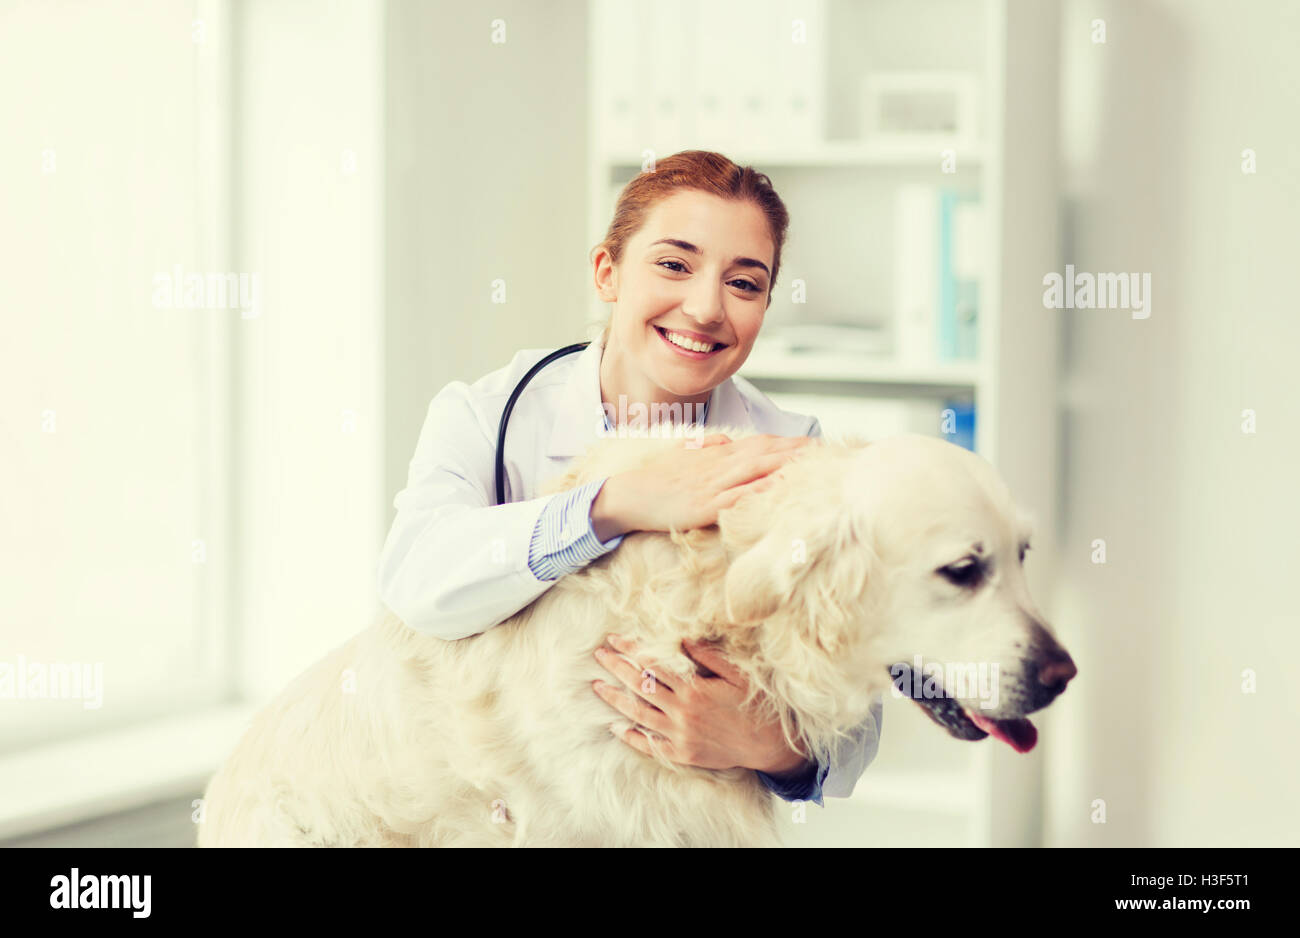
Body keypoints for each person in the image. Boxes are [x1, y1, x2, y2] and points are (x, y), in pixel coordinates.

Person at [376, 149, 883, 808]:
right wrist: (612, 506)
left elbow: (856, 707)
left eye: (745, 283)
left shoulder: (792, 453)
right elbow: (417, 579)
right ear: (607, 272)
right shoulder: (487, 414)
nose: (705, 308)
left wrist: (766, 743)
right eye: (674, 264)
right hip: (499, 809)